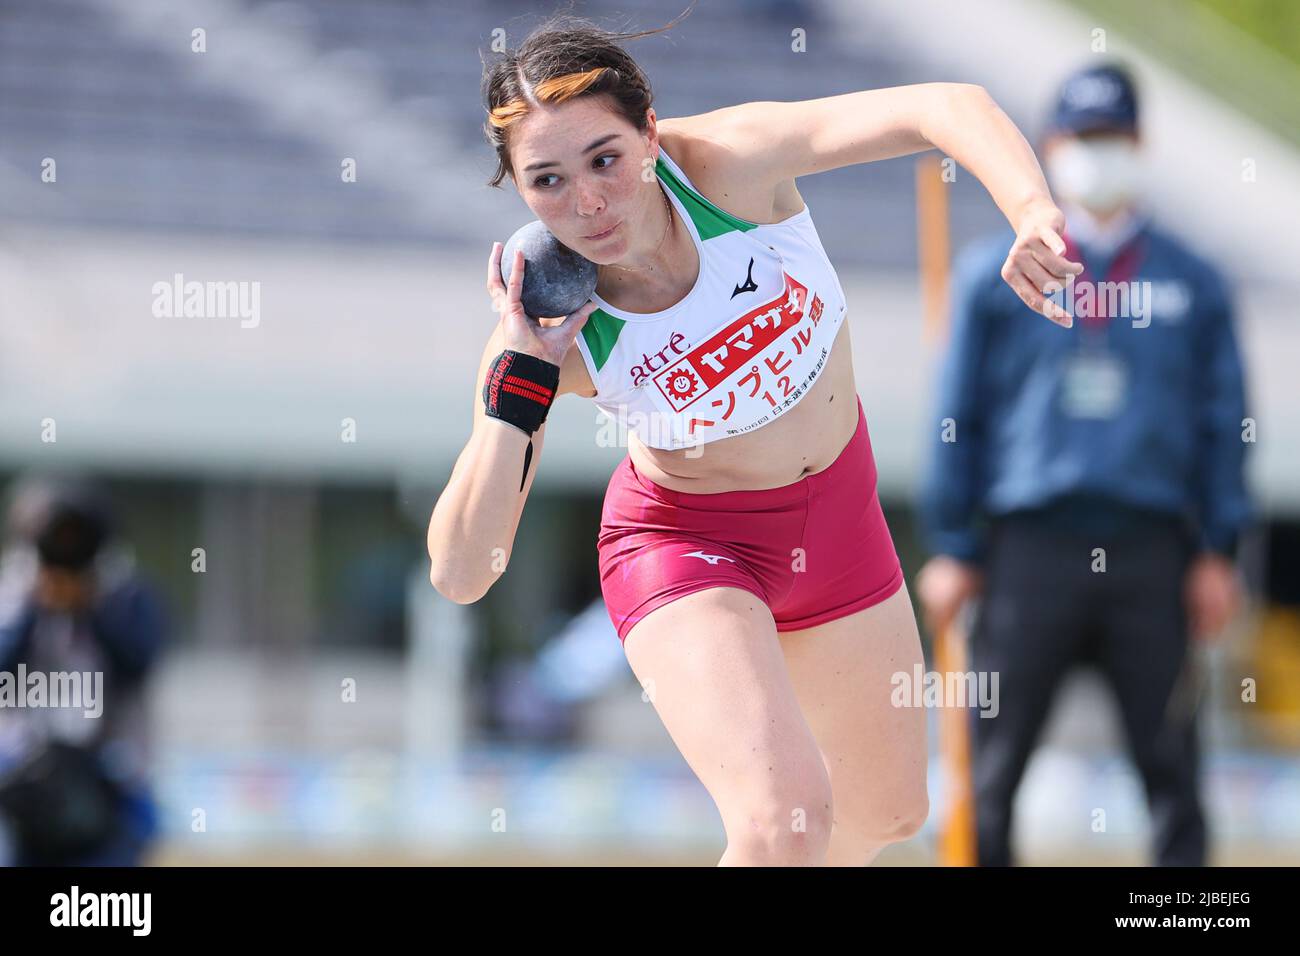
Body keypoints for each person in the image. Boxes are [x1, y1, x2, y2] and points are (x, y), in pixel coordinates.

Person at [427, 8, 1082, 866]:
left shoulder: (732, 166)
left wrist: (1032, 212)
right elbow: (462, 572)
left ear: (651, 133)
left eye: (606, 159)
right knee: (783, 819)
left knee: (884, 816)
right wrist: (521, 383)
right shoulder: (550, 327)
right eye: (546, 181)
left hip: (839, 515)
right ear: (517, 191)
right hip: (686, 543)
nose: (586, 202)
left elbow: (946, 104)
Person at [916, 62, 1252, 866]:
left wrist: (1218, 550)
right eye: (1082, 137)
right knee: (991, 770)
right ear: (1052, 144)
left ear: (1140, 144)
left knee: (1172, 767)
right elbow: (956, 418)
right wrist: (954, 545)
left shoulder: (1191, 280)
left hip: (1155, 554)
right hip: (1025, 552)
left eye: (1113, 138)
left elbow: (1226, 424)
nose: (1097, 153)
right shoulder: (993, 276)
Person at [0, 477, 167, 866]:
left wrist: (93, 604)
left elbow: (138, 662)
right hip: (24, 781)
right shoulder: (14, 593)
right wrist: (35, 605)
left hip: (113, 778)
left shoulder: (127, 593)